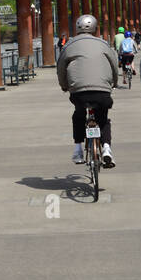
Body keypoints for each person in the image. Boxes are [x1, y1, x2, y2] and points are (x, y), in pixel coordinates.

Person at [56, 13, 118, 168]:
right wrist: (114, 83)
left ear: (77, 29)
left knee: (79, 114)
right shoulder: (103, 44)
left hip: (78, 91)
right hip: (102, 90)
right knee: (102, 117)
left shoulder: (69, 45)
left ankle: (78, 149)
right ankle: (106, 149)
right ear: (95, 28)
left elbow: (61, 68)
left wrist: (64, 85)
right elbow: (114, 66)